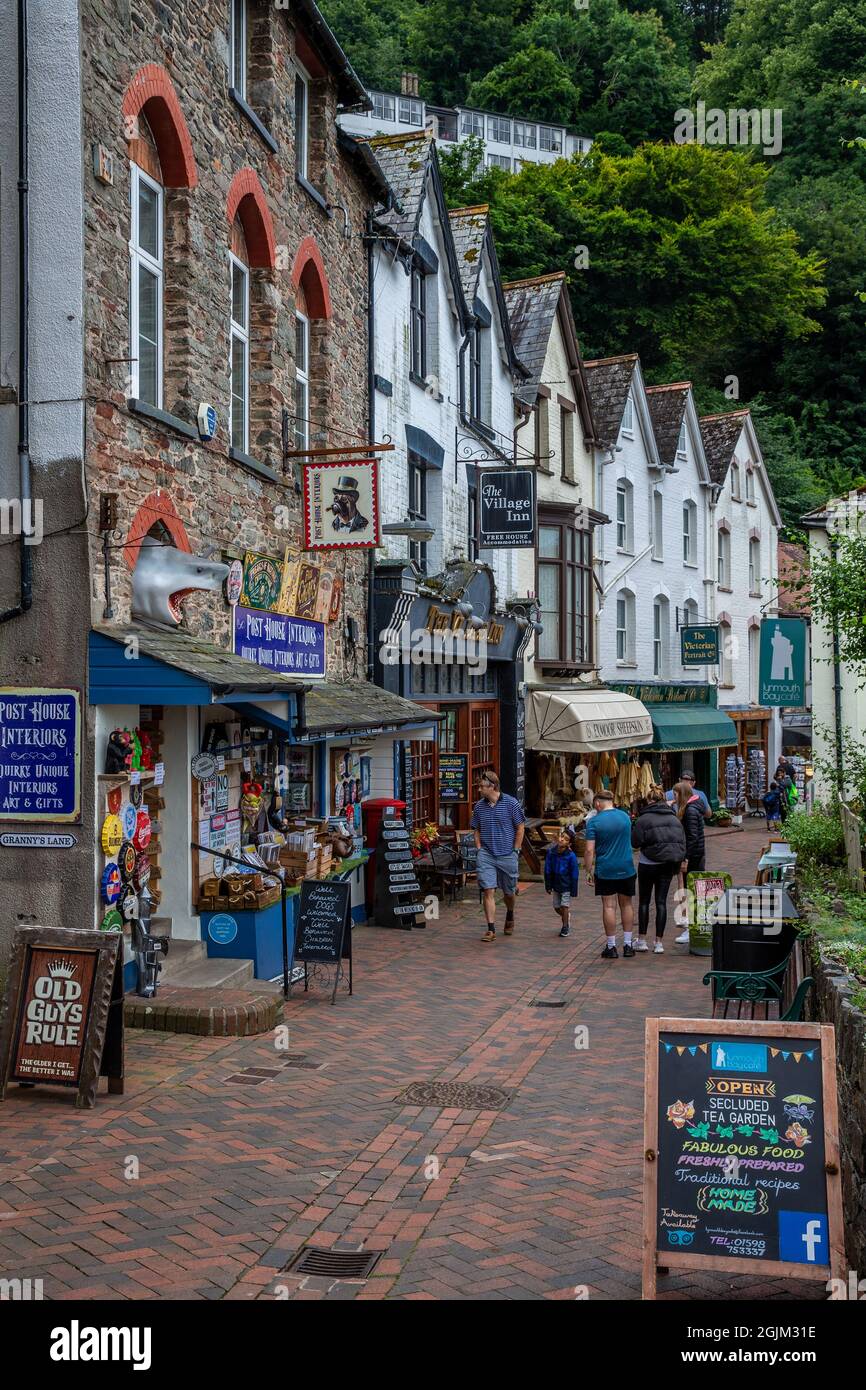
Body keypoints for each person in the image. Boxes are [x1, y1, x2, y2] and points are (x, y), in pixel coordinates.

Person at [470, 771, 525, 943]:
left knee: (509, 892)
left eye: (481, 786)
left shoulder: (511, 803)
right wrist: (479, 848)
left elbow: (520, 827)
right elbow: (476, 829)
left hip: (507, 854)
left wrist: (515, 850)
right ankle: (491, 929)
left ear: (492, 786)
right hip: (486, 854)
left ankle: (510, 913)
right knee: (488, 890)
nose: (479, 790)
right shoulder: (479, 806)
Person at [631, 786, 687, 954]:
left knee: (644, 902)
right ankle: (658, 943)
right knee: (661, 902)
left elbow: (635, 842)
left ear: (649, 801)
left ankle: (641, 940)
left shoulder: (644, 819)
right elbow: (681, 842)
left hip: (647, 863)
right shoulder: (675, 819)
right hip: (667, 864)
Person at [583, 790, 637, 959]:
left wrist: (588, 869)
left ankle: (611, 946)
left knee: (609, 906)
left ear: (598, 803)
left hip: (606, 869)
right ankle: (628, 945)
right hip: (626, 866)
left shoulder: (593, 822)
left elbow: (589, 849)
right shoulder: (625, 817)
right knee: (626, 904)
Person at [545, 830, 580, 938]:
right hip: (556, 884)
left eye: (565, 839)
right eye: (561, 837)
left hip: (566, 885)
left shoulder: (571, 856)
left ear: (569, 844)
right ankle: (566, 916)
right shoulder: (551, 853)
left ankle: (565, 927)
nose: (561, 840)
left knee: (564, 906)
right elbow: (547, 869)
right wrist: (548, 884)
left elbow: (574, 872)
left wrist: (573, 888)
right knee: (556, 906)